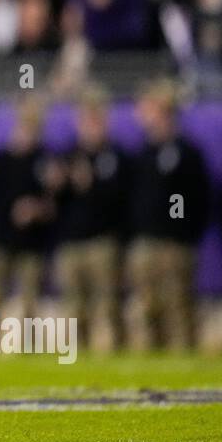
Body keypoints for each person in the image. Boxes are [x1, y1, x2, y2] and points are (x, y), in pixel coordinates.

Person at [126, 79, 211, 350]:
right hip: (145, 241)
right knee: (147, 307)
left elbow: (200, 198)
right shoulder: (143, 152)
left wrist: (185, 233)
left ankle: (185, 357)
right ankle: (150, 361)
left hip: (176, 243)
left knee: (178, 306)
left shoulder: (186, 153)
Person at [48, 86, 128, 351]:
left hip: (102, 241)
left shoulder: (115, 157)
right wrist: (56, 186)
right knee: (73, 308)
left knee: (108, 305)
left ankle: (117, 353)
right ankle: (76, 356)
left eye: (95, 119)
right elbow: (54, 202)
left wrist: (91, 185)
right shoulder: (67, 155)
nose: (90, 126)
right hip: (71, 242)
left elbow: (122, 199)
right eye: (86, 119)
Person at [0, 96, 54, 320]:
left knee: (30, 303)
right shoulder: (0, 159)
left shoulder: (44, 159)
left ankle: (27, 351)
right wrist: (13, 208)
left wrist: (36, 210)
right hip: (1, 241)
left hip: (33, 244)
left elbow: (53, 201)